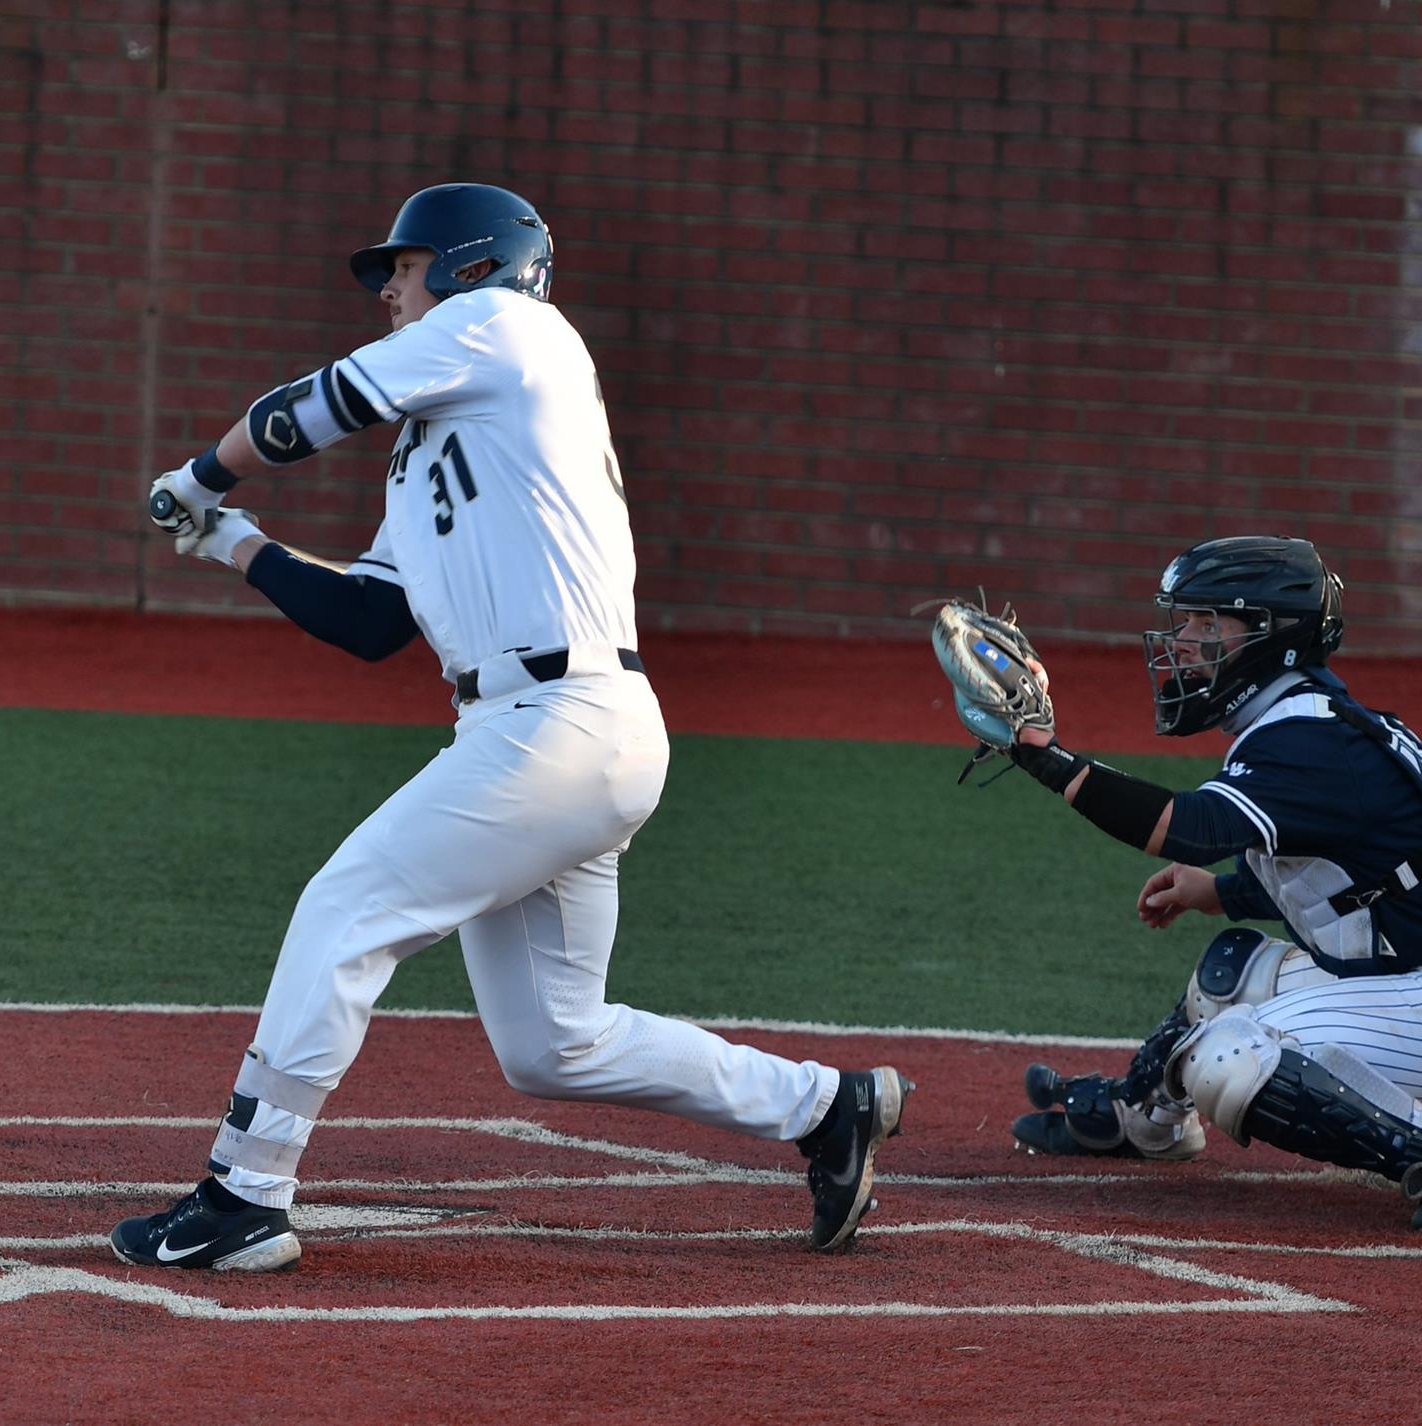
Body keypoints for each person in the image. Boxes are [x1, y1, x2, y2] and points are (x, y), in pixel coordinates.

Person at [112, 182, 911, 1271]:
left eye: (402, 265)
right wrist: (230, 539)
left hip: (557, 721)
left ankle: (244, 1191)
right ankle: (825, 1107)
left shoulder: (502, 325)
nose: (388, 288)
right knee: (553, 1042)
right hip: (556, 729)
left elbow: (305, 413)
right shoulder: (444, 430)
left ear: (470, 264)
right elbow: (368, 619)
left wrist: (203, 472)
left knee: (345, 907)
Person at [1001, 536, 1422, 1227]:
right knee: (1228, 972)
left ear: (1269, 634)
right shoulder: (1309, 722)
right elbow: (1349, 879)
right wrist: (1219, 892)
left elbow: (1183, 825)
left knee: (1229, 1056)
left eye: (1206, 622)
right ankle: (1144, 1122)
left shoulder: (1308, 742)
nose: (1185, 640)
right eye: (1186, 620)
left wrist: (1052, 763)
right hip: (1403, 974)